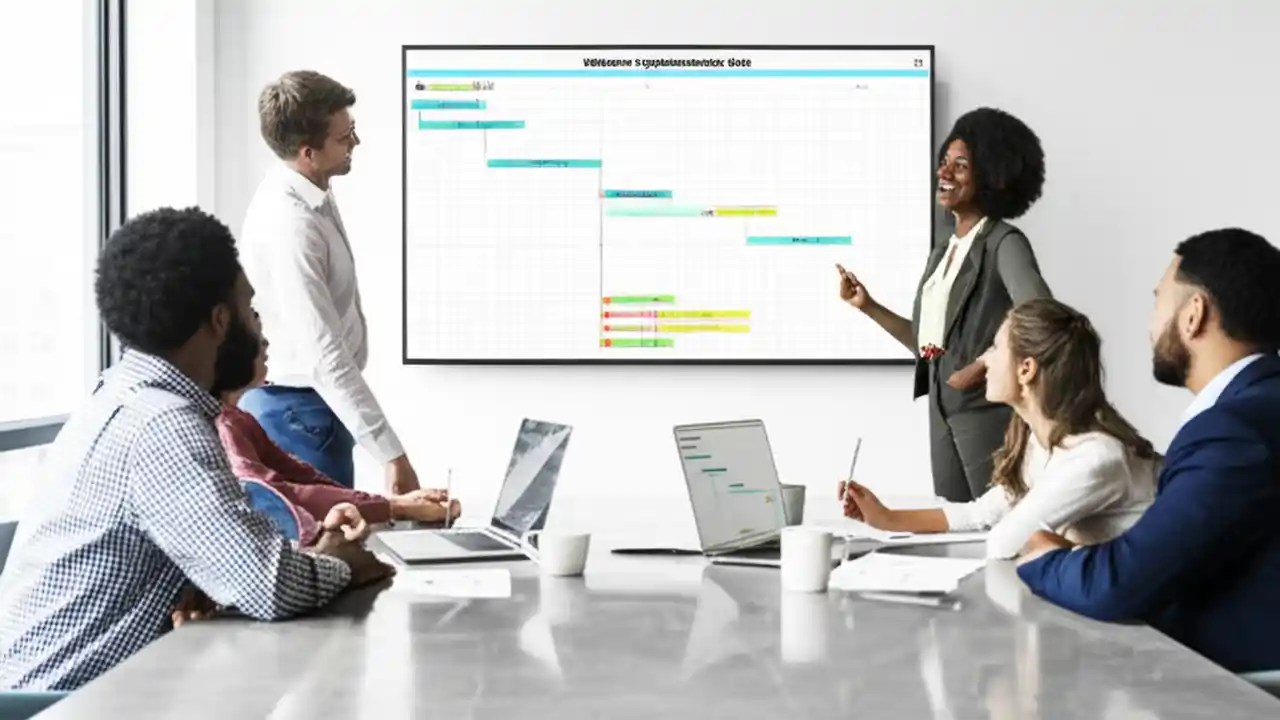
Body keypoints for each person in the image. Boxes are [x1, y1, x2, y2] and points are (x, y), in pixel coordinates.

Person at [0, 207, 394, 691]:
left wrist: (303, 552)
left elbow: (241, 559)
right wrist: (339, 562)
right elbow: (269, 585)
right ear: (220, 321)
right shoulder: (164, 426)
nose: (261, 328)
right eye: (251, 310)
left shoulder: (124, 397)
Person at [1018, 228, 1280, 674]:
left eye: (1158, 300)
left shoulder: (1232, 432)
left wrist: (1046, 558)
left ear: (1193, 314)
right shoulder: (1257, 407)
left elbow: (1119, 584)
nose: (1149, 323)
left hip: (1233, 691)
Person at [837, 107, 1052, 502]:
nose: (945, 173)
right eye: (943, 163)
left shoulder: (1004, 243)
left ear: (991, 175)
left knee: (996, 524)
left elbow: (1044, 319)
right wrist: (868, 306)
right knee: (954, 524)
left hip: (985, 411)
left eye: (961, 165)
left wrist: (982, 365)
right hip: (939, 407)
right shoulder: (943, 250)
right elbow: (927, 344)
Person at [840, 298, 1160, 559]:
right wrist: (886, 518)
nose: (985, 360)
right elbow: (984, 514)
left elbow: (1004, 542)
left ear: (1026, 369)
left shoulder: (1093, 456)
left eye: (994, 348)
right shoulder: (1042, 443)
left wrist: (1050, 541)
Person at [238, 69, 418, 493]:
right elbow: (325, 355)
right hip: (300, 414)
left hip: (317, 409)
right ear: (307, 153)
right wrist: (393, 456)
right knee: (330, 550)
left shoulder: (311, 189)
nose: (355, 142)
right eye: (344, 137)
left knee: (341, 545)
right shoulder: (292, 226)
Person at [214, 320, 461, 545]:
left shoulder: (240, 419)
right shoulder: (225, 426)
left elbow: (303, 476)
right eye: (254, 327)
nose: (266, 342)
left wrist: (394, 503)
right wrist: (399, 507)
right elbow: (277, 494)